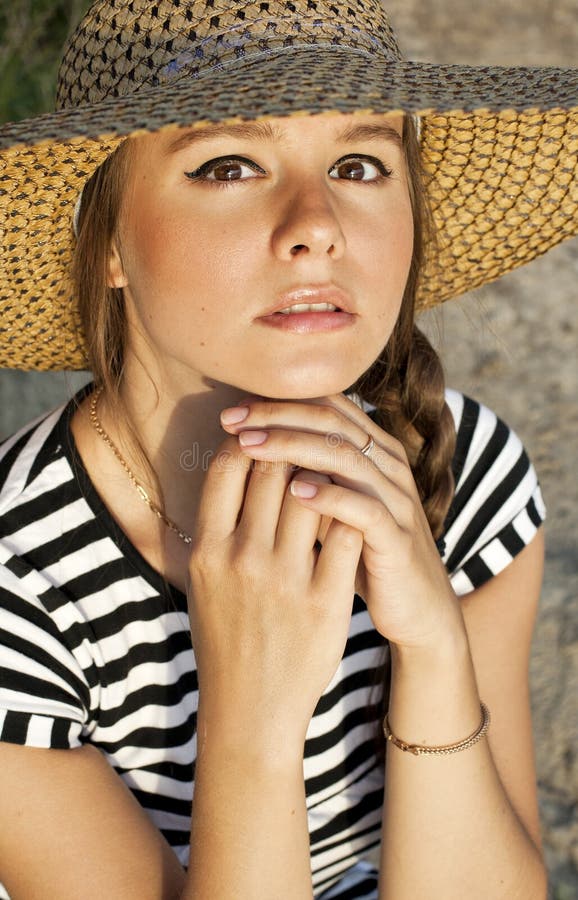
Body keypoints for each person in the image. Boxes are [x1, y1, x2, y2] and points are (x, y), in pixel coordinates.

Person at [0, 1, 576, 897]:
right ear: (104, 236)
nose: (318, 223)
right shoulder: (17, 590)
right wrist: (254, 722)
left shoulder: (469, 472)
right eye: (230, 164)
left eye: (358, 163)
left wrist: (431, 647)